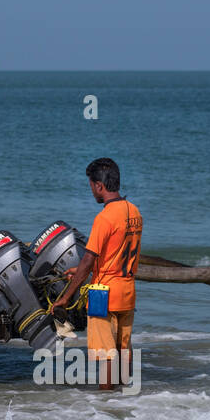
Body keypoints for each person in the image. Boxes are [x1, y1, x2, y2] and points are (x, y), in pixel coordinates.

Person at [47, 158, 143, 391]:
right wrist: (79, 271)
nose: (92, 191)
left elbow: (89, 259)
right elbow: (114, 253)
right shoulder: (134, 212)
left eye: (91, 186)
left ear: (99, 185)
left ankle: (105, 401)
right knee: (122, 349)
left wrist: (65, 298)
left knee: (106, 354)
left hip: (103, 294)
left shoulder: (105, 217)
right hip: (127, 291)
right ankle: (124, 395)